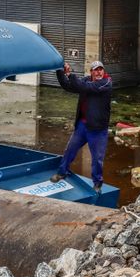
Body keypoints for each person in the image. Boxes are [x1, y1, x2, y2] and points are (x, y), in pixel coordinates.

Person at [51, 60, 113, 193]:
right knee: (70, 150)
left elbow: (85, 87)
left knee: (97, 159)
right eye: (95, 70)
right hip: (82, 126)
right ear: (91, 72)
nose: (98, 72)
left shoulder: (106, 83)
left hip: (97, 130)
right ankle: (62, 172)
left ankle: (97, 183)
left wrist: (71, 74)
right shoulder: (86, 81)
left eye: (100, 69)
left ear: (104, 71)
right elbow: (68, 86)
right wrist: (60, 72)